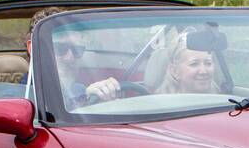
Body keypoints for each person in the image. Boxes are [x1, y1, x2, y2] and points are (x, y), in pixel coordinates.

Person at [86, 27, 221, 102]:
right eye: (194, 64)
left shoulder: (226, 101)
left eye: (208, 63)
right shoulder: (152, 106)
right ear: (174, 71)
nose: (204, 71)